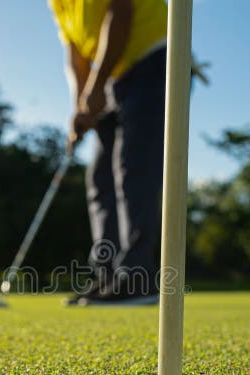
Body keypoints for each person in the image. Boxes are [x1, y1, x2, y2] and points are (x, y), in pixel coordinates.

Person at [49, 0, 168, 306]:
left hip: (154, 61)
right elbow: (74, 52)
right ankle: (108, 276)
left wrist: (97, 85)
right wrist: (80, 104)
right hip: (112, 76)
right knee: (100, 179)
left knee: (133, 169)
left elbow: (121, 12)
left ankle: (137, 278)